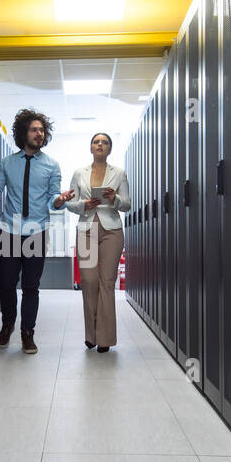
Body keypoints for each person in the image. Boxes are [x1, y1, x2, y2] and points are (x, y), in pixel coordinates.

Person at [0, 109, 70, 354]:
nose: (39, 134)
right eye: (34, 130)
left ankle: (27, 332)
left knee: (31, 285)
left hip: (37, 230)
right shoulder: (7, 163)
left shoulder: (51, 165)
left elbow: (53, 198)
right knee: (7, 283)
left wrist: (60, 199)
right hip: (10, 231)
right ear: (24, 133)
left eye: (42, 130)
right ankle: (7, 324)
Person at [61, 132, 130, 351]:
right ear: (90, 147)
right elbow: (70, 204)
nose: (100, 145)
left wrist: (114, 199)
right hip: (86, 229)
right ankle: (91, 333)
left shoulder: (119, 173)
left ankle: (105, 338)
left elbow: (127, 205)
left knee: (107, 283)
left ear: (110, 149)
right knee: (89, 282)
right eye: (96, 142)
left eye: (105, 142)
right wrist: (83, 205)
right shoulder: (79, 173)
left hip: (112, 231)